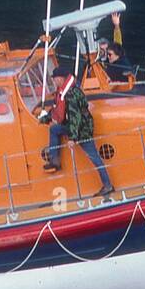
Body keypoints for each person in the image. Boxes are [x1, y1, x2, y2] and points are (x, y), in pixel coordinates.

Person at [40, 67, 113, 197]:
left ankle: (107, 185)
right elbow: (58, 111)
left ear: (61, 78)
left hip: (82, 130)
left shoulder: (70, 94)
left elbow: (75, 117)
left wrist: (72, 138)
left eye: (55, 78)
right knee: (54, 129)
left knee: (94, 158)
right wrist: (45, 118)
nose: (54, 81)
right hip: (75, 126)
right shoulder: (64, 92)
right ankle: (55, 159)